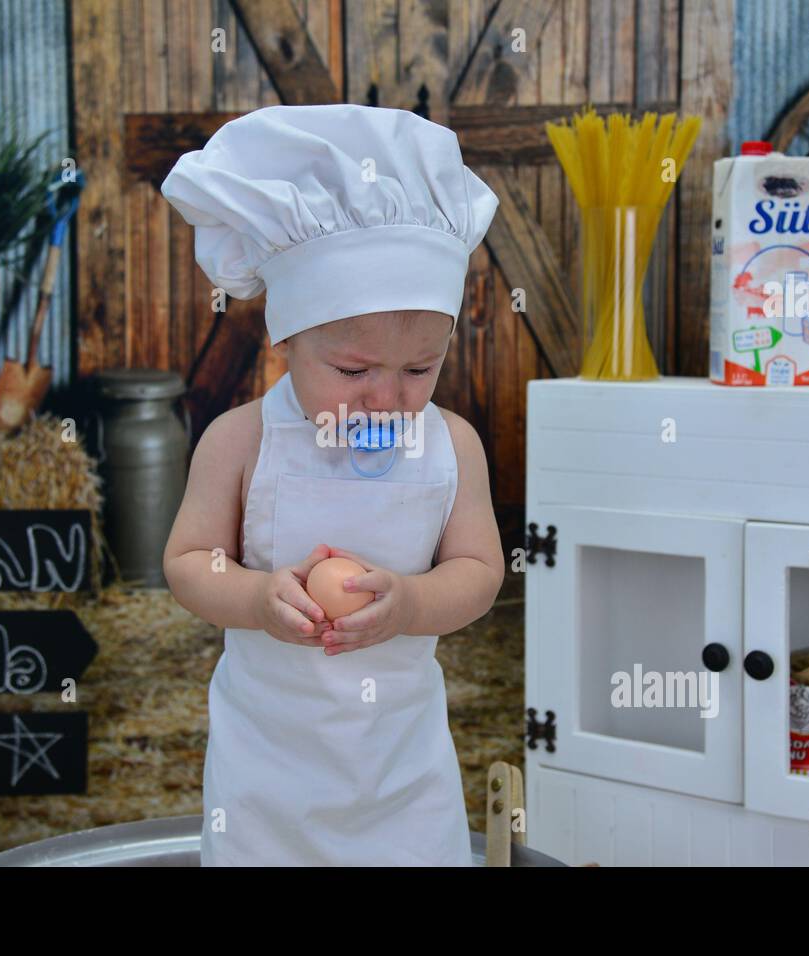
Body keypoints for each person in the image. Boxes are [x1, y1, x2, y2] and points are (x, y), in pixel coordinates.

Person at [161, 103, 505, 866]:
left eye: (420, 369)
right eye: (353, 371)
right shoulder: (241, 441)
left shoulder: (450, 447)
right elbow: (188, 563)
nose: (387, 398)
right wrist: (253, 597)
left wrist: (412, 603)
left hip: (400, 765)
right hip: (268, 767)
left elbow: (480, 574)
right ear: (287, 340)